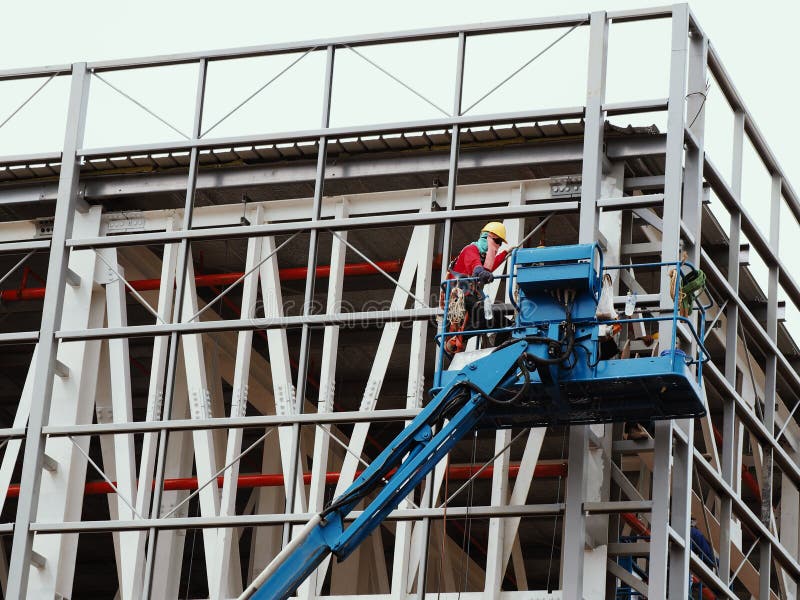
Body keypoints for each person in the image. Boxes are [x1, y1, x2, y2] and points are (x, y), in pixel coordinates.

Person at [442, 222, 509, 354]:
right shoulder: (471, 250)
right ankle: (458, 337)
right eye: (497, 241)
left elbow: (488, 267)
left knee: (499, 317)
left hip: (469, 294)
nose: (498, 245)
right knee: (483, 314)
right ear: (486, 237)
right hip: (458, 294)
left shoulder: (481, 256)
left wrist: (506, 253)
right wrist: (481, 272)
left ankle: (504, 342)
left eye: (500, 243)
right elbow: (476, 266)